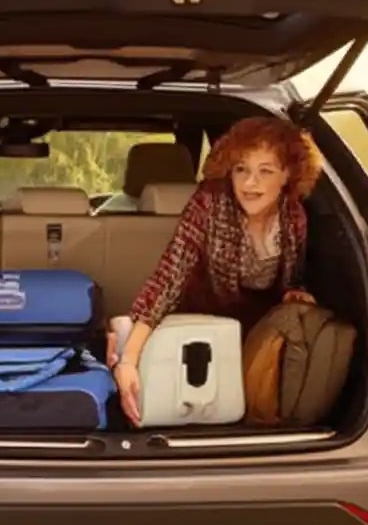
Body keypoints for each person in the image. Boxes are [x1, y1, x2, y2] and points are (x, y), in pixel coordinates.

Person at [111, 117, 323, 428]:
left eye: (265, 171)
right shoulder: (209, 202)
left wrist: (295, 292)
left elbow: (293, 275)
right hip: (197, 332)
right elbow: (169, 277)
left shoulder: (294, 216)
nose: (250, 184)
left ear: (287, 175)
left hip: (255, 342)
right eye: (242, 169)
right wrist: (128, 361)